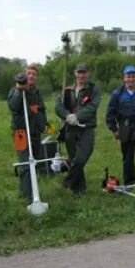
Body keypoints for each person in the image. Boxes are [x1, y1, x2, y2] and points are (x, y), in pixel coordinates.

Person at [55, 63, 100, 195]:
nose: (81, 75)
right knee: (73, 159)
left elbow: (92, 107)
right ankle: (79, 190)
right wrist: (67, 115)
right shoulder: (67, 90)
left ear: (88, 73)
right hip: (70, 129)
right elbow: (58, 106)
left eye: (84, 72)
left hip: (86, 128)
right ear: (75, 73)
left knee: (80, 159)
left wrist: (77, 116)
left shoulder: (93, 90)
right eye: (79, 72)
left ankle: (66, 182)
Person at [8, 64, 48, 204]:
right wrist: (20, 91)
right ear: (25, 75)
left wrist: (43, 126)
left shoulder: (38, 93)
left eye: (34, 74)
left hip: (35, 132)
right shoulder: (15, 90)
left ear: (36, 77)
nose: (31, 76)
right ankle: (27, 197)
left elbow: (42, 111)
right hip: (20, 133)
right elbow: (13, 106)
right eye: (29, 73)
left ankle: (31, 190)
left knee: (34, 162)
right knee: (25, 164)